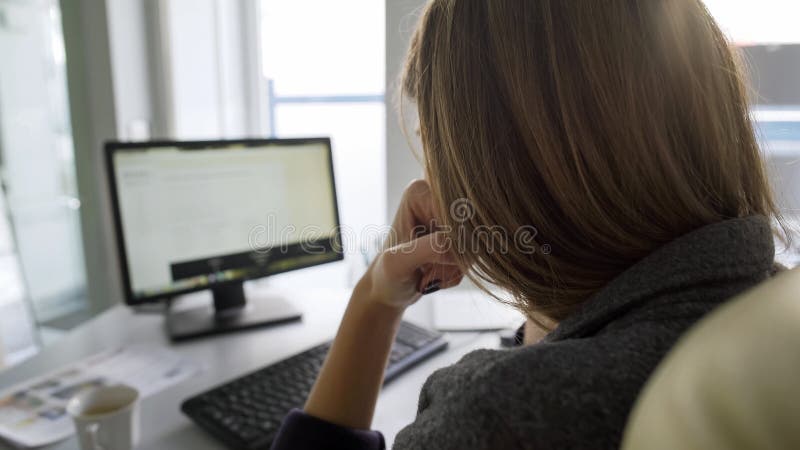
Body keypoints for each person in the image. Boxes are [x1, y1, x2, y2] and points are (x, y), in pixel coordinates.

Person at [271, 0, 787, 448]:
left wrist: (374, 301)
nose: (435, 178)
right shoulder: (762, 309)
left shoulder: (504, 414)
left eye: (437, 143)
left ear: (509, 167)